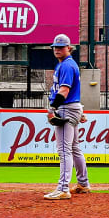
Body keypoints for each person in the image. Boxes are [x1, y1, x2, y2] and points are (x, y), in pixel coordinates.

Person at [43, 34, 89, 200]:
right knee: (75, 148)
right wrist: (79, 111)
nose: (57, 49)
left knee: (64, 150)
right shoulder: (65, 64)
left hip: (66, 108)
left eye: (61, 47)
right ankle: (83, 184)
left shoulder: (67, 65)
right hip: (73, 107)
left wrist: (52, 109)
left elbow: (64, 91)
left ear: (69, 48)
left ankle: (63, 188)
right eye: (55, 47)